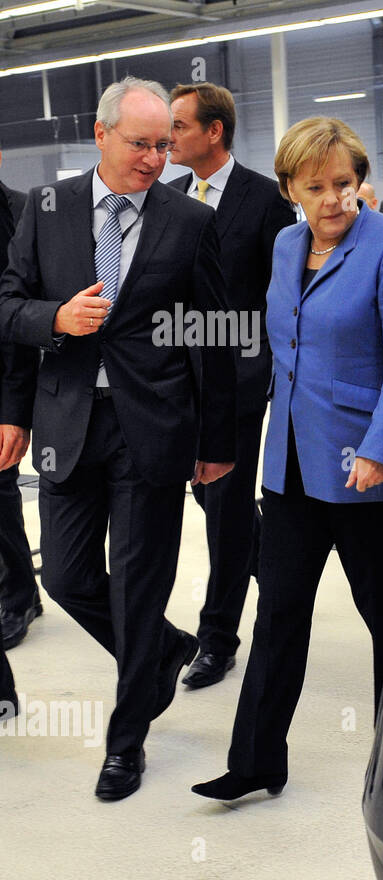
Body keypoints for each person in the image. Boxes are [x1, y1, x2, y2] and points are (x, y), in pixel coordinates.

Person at [0, 77, 235, 801]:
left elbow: (213, 336)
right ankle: (164, 649)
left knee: (138, 588)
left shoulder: (188, 221)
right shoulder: (47, 208)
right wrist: (52, 322)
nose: (155, 159)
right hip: (67, 421)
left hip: (152, 428)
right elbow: (7, 305)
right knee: (66, 577)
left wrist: (218, 439)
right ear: (101, 135)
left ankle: (125, 743)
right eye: (140, 144)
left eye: (165, 144)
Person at [192, 117, 383, 802]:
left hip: (368, 465)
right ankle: (256, 762)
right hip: (293, 462)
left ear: (360, 182)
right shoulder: (285, 243)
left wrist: (380, 449)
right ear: (290, 189)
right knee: (278, 612)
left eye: (344, 184)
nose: (333, 199)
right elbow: (284, 348)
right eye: (316, 186)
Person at [167, 82, 297, 692]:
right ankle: (272, 561)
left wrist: (265, 366)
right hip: (176, 378)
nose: (168, 137)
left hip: (238, 380)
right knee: (211, 497)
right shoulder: (167, 197)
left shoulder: (264, 199)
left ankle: (217, 638)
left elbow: (282, 293)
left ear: (214, 131)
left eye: (179, 125)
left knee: (222, 511)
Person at [0, 143, 41, 652]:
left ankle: (19, 595)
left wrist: (14, 412)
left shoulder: (23, 210)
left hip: (10, 369)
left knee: (1, 487)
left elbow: (19, 314)